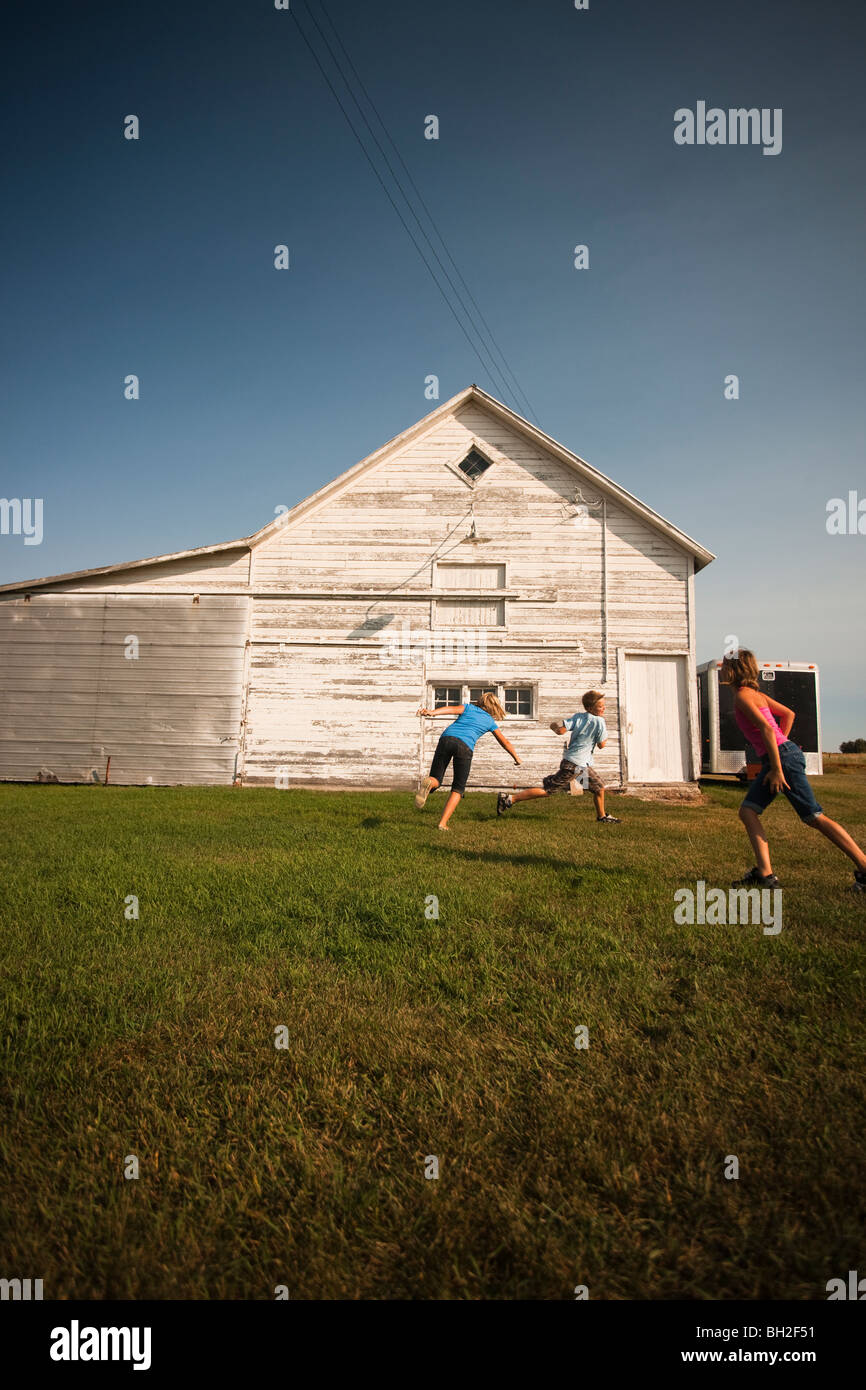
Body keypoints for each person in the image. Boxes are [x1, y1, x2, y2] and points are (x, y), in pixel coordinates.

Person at [721, 649, 866, 891]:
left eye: (726, 665)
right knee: (748, 811)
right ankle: (765, 874)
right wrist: (782, 747)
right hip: (781, 756)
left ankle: (864, 866)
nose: (723, 670)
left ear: (734, 670)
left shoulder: (743, 698)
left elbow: (768, 731)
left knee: (814, 817)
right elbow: (789, 714)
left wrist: (778, 765)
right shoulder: (755, 695)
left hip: (781, 762)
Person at [496, 689, 620, 823]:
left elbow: (560, 730)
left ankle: (602, 817)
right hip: (575, 765)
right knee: (548, 791)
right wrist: (604, 736)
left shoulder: (578, 716)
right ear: (590, 708)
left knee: (599, 788)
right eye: (601, 706)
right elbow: (602, 745)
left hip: (577, 763)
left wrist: (553, 726)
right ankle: (509, 799)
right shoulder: (600, 722)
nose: (604, 708)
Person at [415, 692, 521, 829]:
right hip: (465, 746)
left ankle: (430, 782)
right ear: (494, 707)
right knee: (458, 788)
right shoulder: (490, 721)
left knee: (436, 778)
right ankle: (442, 823)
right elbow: (504, 742)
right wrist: (516, 758)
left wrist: (431, 712)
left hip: (446, 738)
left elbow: (451, 709)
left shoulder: (469, 708)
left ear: (480, 701)